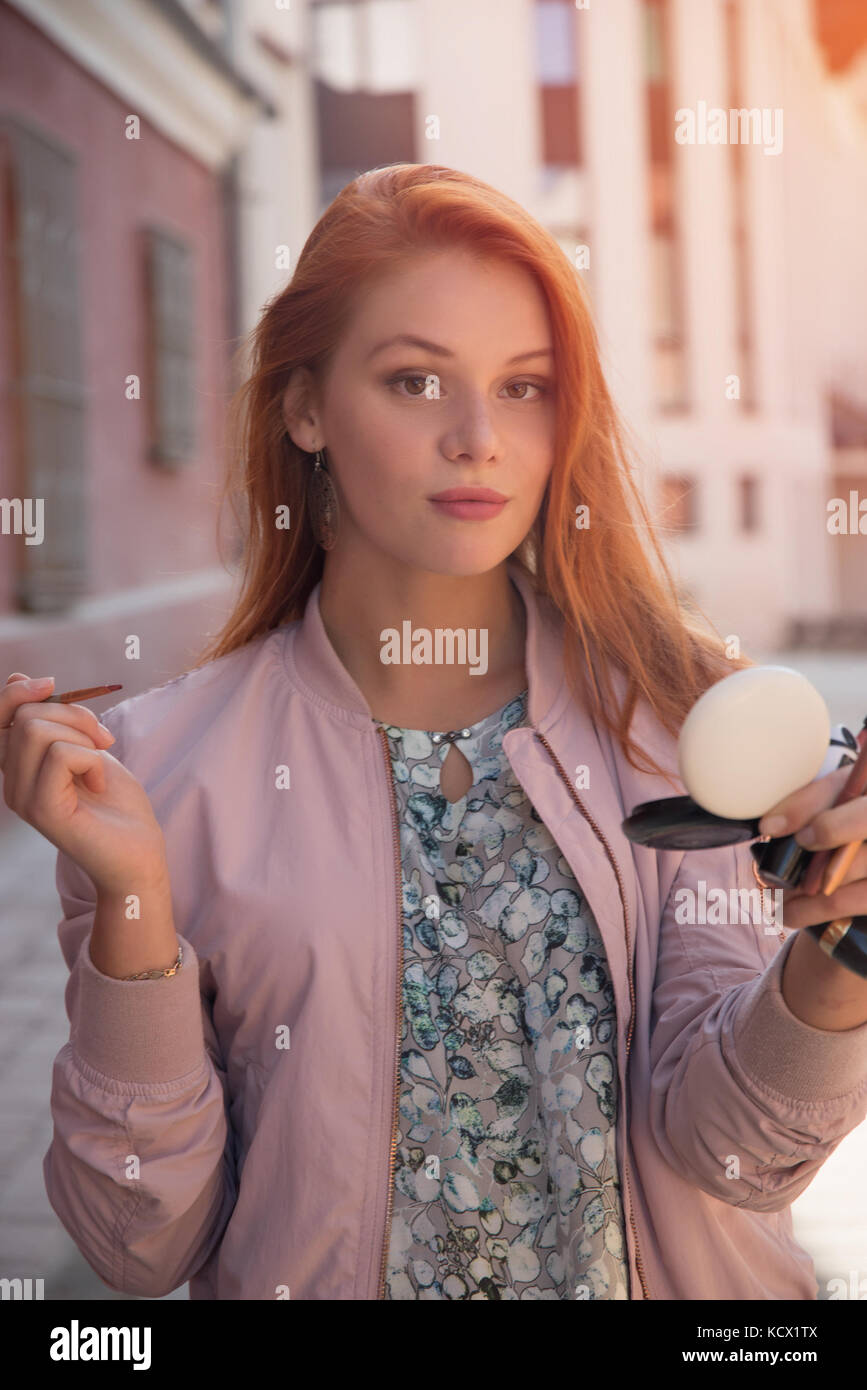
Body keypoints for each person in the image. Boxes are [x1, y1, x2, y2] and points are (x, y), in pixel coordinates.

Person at [3, 163, 867, 1301]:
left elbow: (737, 1156)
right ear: (305, 406)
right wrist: (131, 905)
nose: (478, 438)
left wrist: (842, 948)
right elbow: (140, 1244)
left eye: (524, 387)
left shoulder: (672, 724)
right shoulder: (160, 775)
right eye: (416, 381)